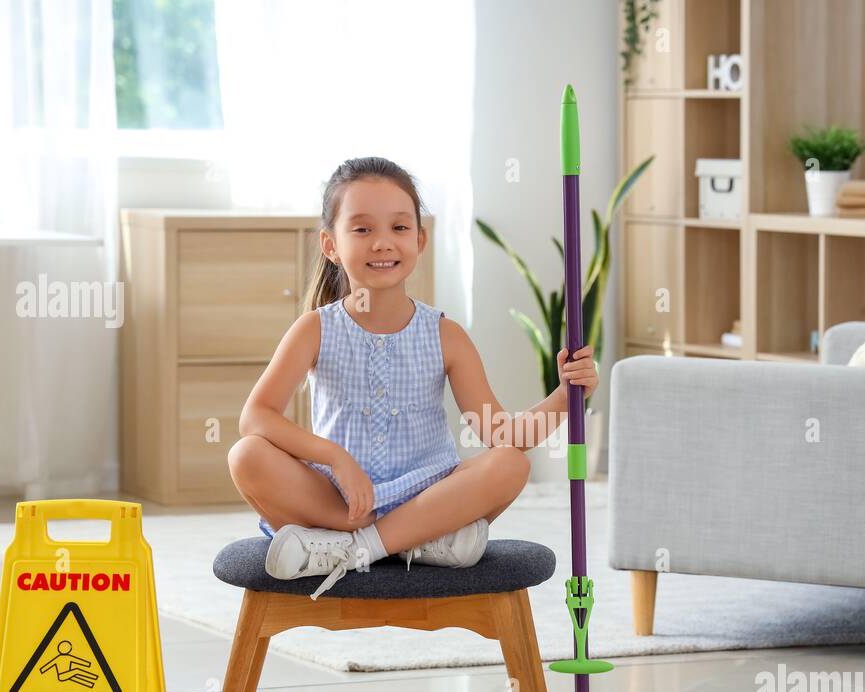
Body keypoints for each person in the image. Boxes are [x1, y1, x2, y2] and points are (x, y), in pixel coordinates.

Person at [228, 157, 598, 599]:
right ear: (330, 245)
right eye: (362, 230)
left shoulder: (445, 335)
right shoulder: (315, 329)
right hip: (341, 500)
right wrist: (336, 458)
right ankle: (412, 544)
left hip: (428, 500)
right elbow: (256, 418)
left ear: (420, 240)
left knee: (510, 463)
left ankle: (354, 549)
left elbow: (502, 434)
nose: (383, 243)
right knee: (246, 456)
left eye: (399, 228)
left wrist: (564, 397)